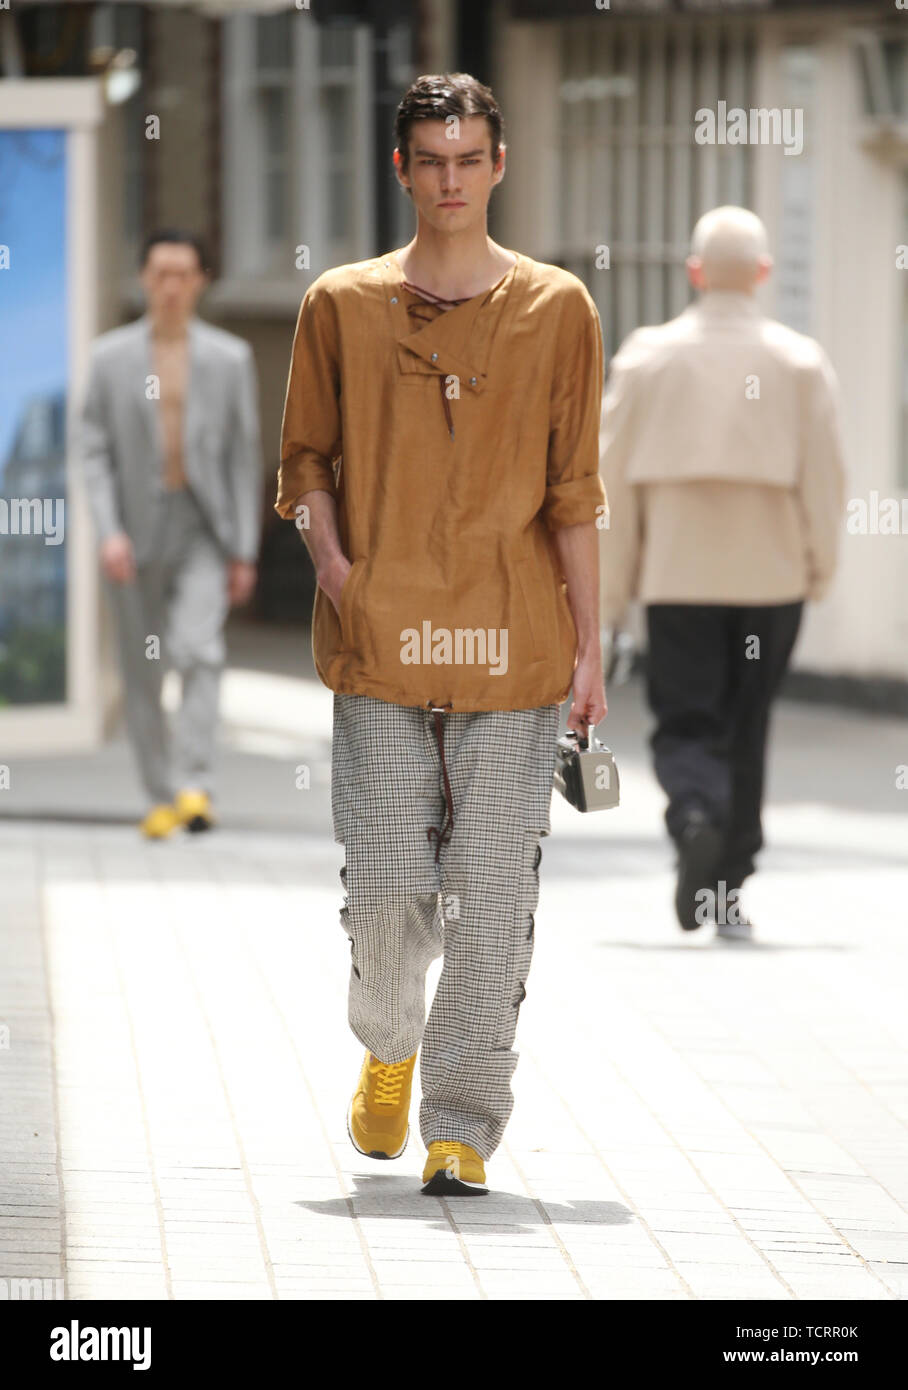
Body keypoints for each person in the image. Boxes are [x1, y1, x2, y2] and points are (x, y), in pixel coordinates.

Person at [276, 73, 607, 1195]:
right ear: (402, 169)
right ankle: (387, 1041)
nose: (452, 179)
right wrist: (335, 571)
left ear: (497, 166)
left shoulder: (558, 307)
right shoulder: (338, 303)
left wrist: (593, 649)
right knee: (383, 893)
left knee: (490, 896)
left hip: (515, 650)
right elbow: (304, 463)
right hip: (379, 645)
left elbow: (574, 491)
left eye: (470, 159)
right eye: (432, 160)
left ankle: (461, 1122)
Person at [599, 206, 846, 939]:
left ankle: (696, 812)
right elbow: (828, 480)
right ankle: (729, 885)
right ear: (764, 272)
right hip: (770, 578)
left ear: (695, 271)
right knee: (749, 725)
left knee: (686, 720)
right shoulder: (800, 363)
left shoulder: (648, 358)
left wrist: (613, 593)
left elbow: (610, 481)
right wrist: (820, 568)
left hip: (677, 577)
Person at [80, 230, 263, 838]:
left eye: (183, 274)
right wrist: (108, 531)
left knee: (198, 650)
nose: (171, 286)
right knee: (142, 668)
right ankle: (158, 794)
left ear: (201, 281)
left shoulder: (229, 358)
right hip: (133, 533)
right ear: (143, 279)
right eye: (160, 273)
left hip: (202, 529)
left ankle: (193, 784)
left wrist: (243, 548)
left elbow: (244, 455)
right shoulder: (109, 359)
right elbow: (93, 451)